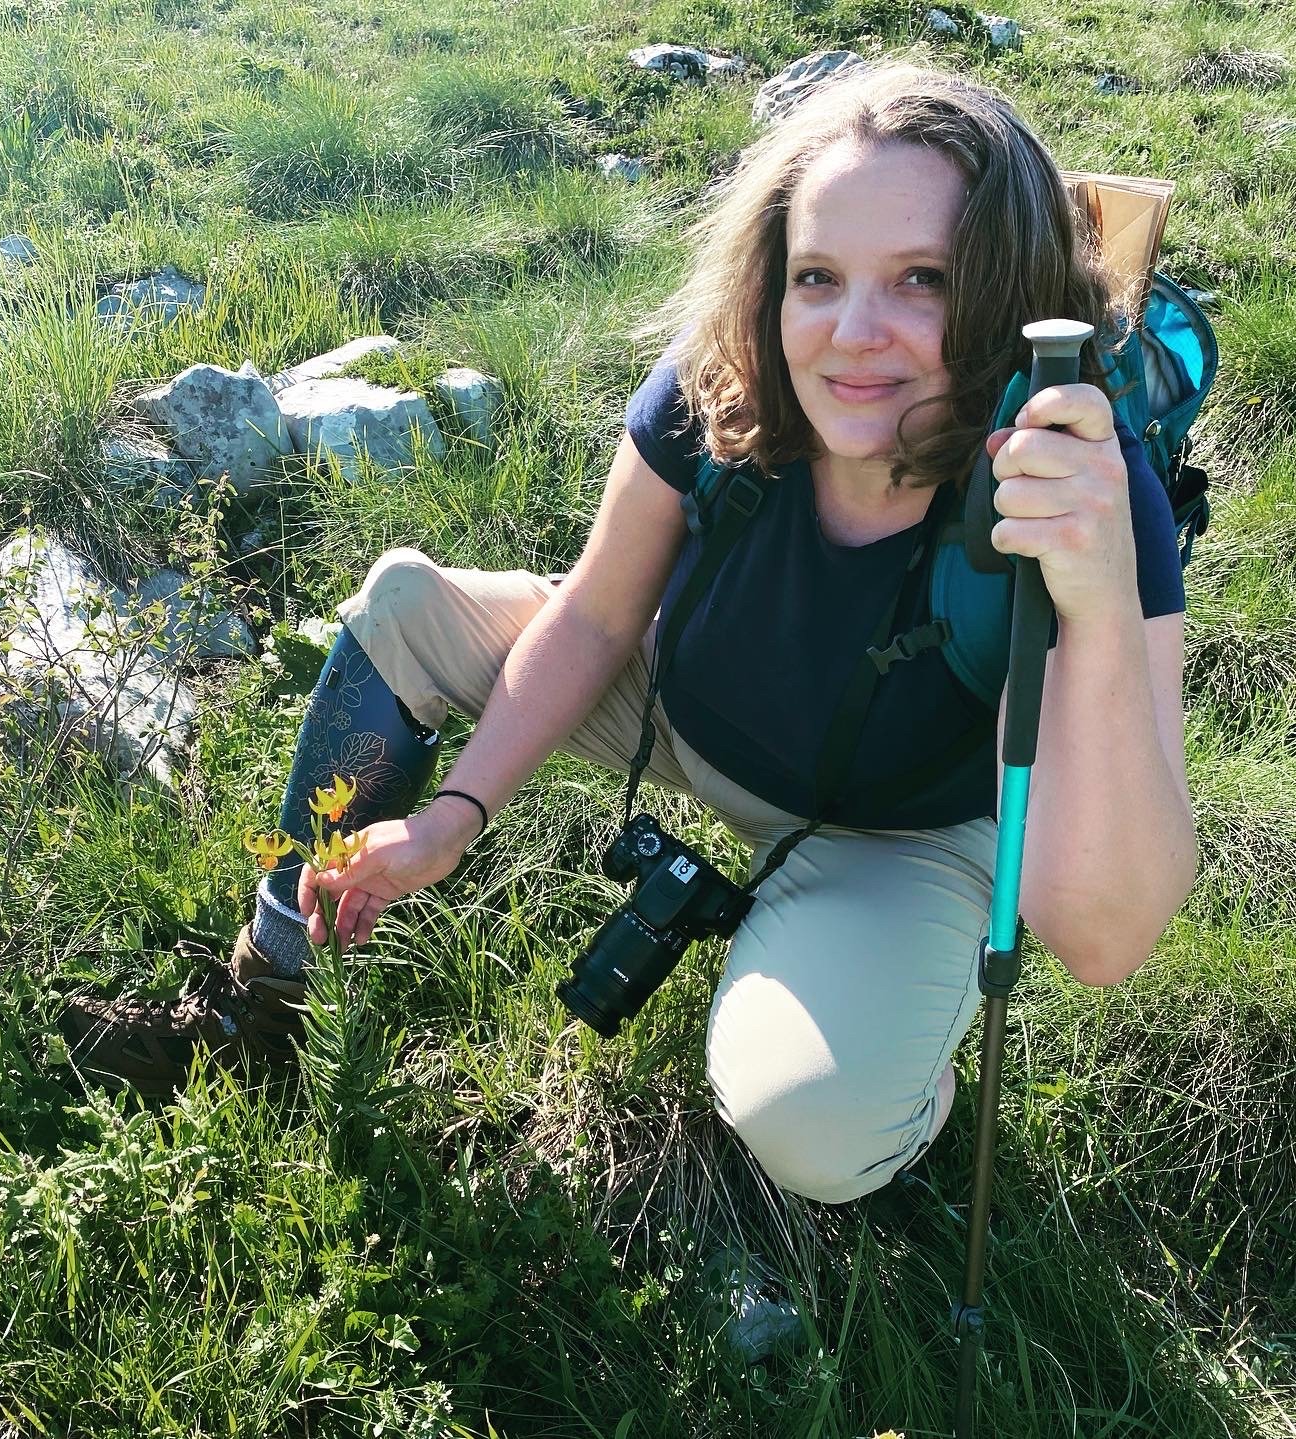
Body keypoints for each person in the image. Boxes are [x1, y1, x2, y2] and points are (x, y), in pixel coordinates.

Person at [62, 61, 1195, 1204]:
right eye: (817, 275)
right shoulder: (727, 382)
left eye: (924, 280)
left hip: (894, 831)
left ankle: (892, 1035)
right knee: (407, 607)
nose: (854, 334)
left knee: (815, 1129)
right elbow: (602, 612)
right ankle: (267, 990)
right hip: (689, 713)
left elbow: (1103, 939)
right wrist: (455, 814)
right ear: (770, 283)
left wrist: (1094, 592)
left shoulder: (1078, 491)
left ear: (1004, 294)